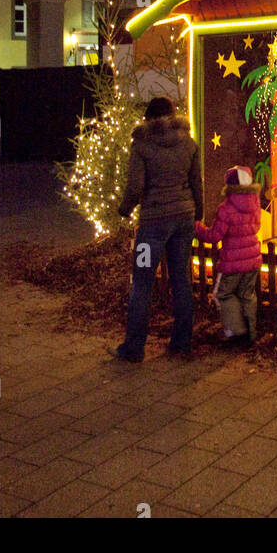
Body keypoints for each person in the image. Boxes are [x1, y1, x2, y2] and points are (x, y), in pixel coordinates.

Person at [113, 97, 203, 363]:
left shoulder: (142, 146)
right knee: (181, 279)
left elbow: (136, 186)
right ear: (172, 116)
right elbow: (196, 182)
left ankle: (133, 348)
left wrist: (124, 209)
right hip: (183, 220)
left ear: (149, 118)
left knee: (142, 282)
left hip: (153, 223)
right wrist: (198, 212)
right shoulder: (189, 143)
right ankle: (181, 343)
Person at [195, 165, 262, 348]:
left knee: (223, 294)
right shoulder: (255, 203)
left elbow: (214, 236)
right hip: (253, 260)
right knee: (247, 295)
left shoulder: (226, 209)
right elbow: (257, 227)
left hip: (232, 263)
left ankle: (235, 330)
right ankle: (251, 332)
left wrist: (197, 228)